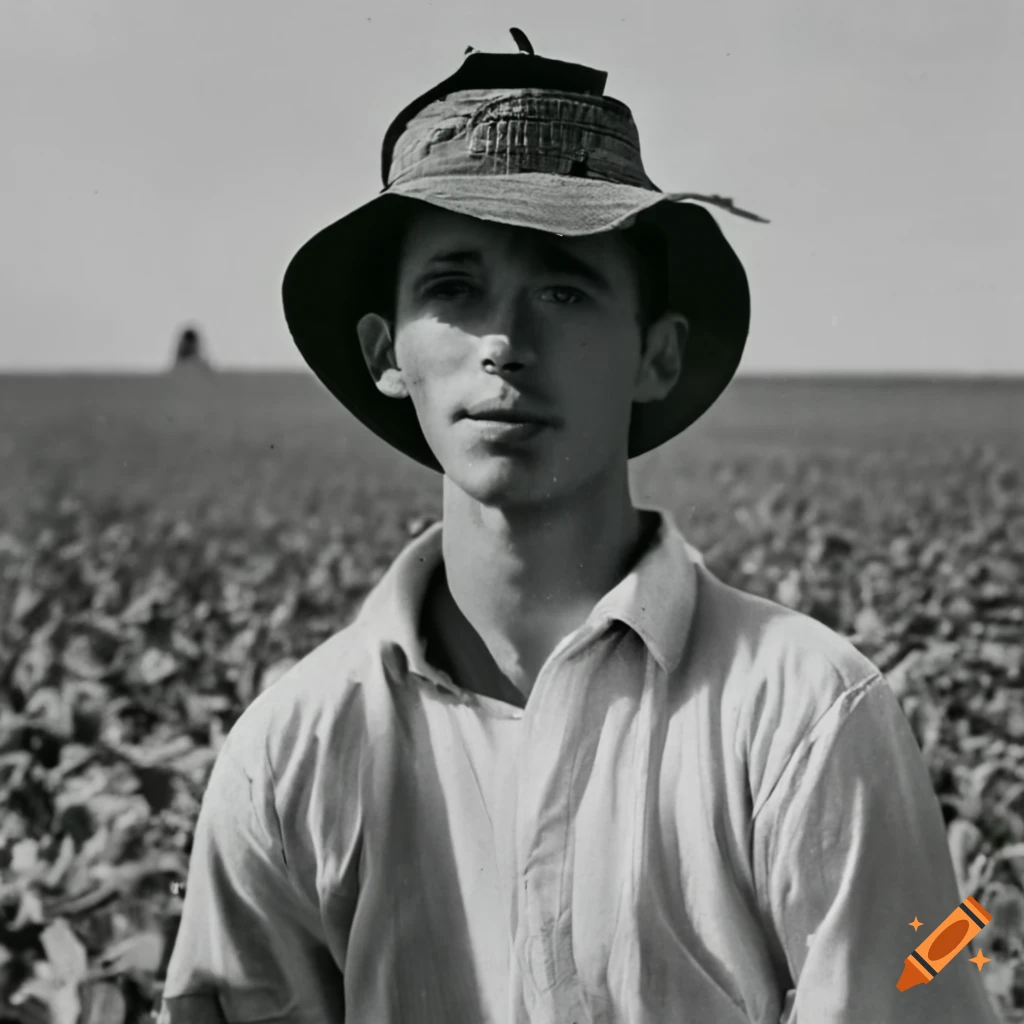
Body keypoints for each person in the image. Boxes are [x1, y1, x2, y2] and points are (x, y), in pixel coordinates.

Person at [158, 30, 1001, 1024]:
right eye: (454, 291)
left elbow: (909, 989)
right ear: (388, 353)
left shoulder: (804, 713)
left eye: (564, 289)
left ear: (656, 355)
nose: (506, 345)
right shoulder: (291, 750)